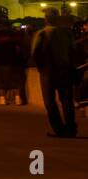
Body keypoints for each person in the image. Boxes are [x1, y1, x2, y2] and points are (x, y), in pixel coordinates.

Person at [32, 9, 77, 137]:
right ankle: (70, 128)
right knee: (66, 100)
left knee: (50, 102)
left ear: (46, 19)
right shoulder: (67, 33)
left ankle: (59, 129)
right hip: (65, 70)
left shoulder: (41, 34)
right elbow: (73, 51)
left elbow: (35, 53)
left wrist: (40, 68)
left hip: (48, 72)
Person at [0, 20, 28, 106]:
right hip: (15, 62)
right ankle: (18, 98)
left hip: (0, 62)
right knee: (16, 81)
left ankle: (2, 99)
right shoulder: (15, 36)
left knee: (0, 81)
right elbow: (21, 49)